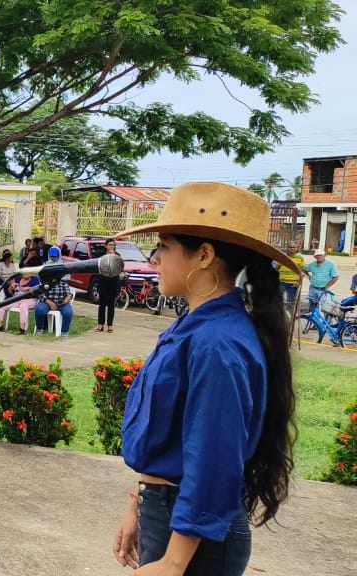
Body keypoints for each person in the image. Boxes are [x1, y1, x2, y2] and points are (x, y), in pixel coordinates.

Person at [111, 182, 296, 575]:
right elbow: (171, 436)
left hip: (195, 540)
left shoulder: (217, 342)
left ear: (205, 256)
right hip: (168, 513)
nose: (155, 258)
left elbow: (214, 457)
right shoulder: (198, 327)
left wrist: (174, 563)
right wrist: (138, 504)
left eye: (163, 246)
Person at [34, 247, 73, 335]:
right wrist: (49, 302)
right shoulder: (45, 268)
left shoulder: (63, 268)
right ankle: (39, 329)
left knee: (68, 312)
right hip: (47, 301)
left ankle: (64, 332)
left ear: (59, 255)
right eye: (52, 256)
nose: (53, 258)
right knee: (40, 310)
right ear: (49, 255)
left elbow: (68, 291)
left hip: (61, 301)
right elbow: (40, 292)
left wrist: (66, 299)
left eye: (55, 256)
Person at [96, 240, 126, 333]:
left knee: (111, 304)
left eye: (113, 245)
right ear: (106, 246)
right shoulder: (101, 255)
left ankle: (110, 325)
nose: (112, 246)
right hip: (103, 280)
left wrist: (114, 256)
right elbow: (98, 266)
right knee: (102, 304)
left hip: (113, 281)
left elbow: (121, 267)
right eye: (110, 245)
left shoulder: (118, 255)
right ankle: (100, 324)